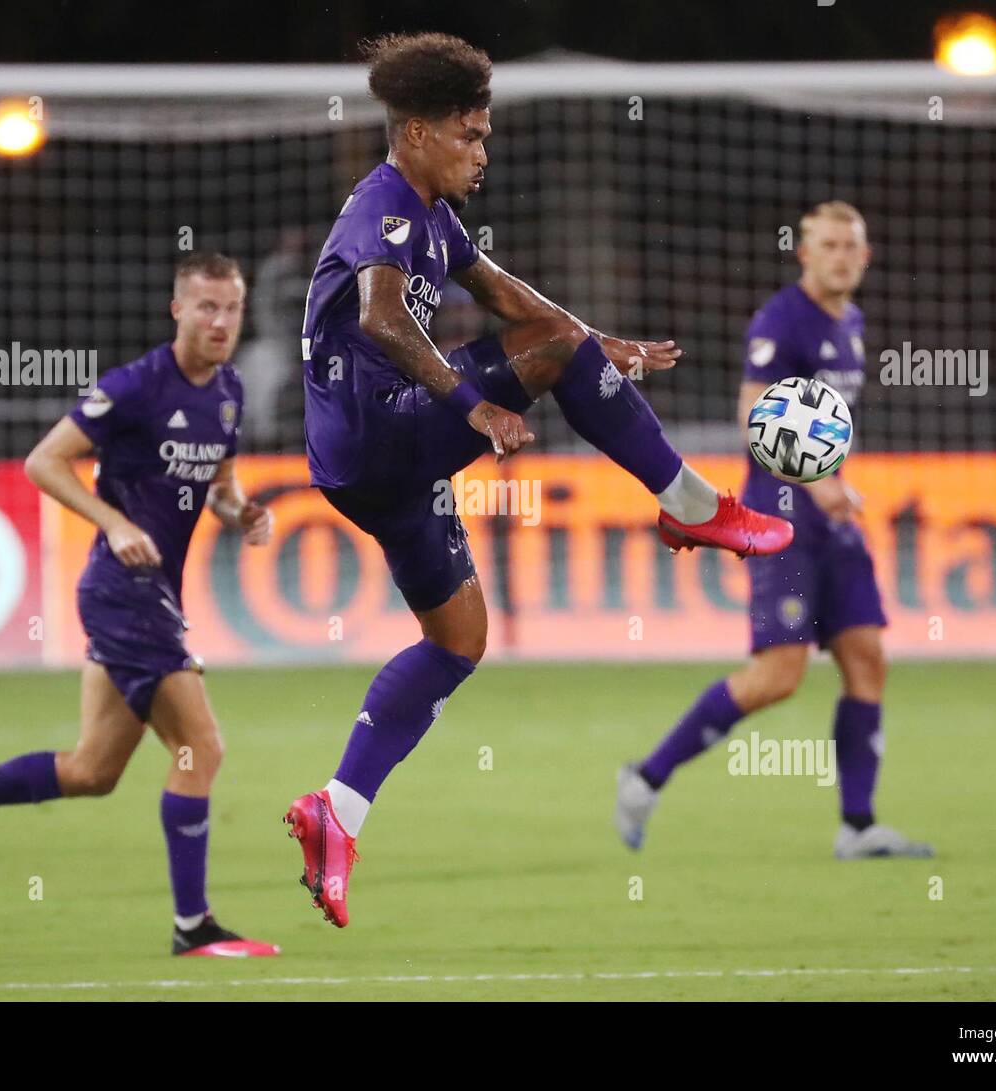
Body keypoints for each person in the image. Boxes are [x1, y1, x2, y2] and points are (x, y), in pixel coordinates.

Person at [284, 32, 794, 927]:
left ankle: (338, 811)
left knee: (457, 641)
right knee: (551, 358)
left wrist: (599, 345)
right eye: (468, 134)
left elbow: (514, 299)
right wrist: (469, 404)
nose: (482, 151)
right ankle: (690, 507)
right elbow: (378, 316)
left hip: (370, 467)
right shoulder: (386, 207)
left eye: (485, 134)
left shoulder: (433, 214)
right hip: (382, 433)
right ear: (413, 133)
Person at [0, 253, 282, 956]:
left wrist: (242, 511)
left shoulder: (230, 392)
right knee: (201, 745)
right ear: (177, 309)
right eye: (207, 307)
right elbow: (43, 460)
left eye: (233, 309)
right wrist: (115, 521)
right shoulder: (134, 387)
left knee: (93, 770)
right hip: (122, 593)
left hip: (152, 595)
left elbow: (217, 485)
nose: (221, 321)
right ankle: (193, 926)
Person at [615, 203, 934, 860]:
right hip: (782, 521)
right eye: (830, 244)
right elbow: (755, 413)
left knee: (868, 657)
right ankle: (646, 777)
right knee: (777, 675)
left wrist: (837, 486)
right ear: (805, 253)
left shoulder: (852, 324)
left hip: (834, 520)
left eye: (852, 245)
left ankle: (858, 823)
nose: (842, 255)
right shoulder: (780, 321)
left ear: (866, 257)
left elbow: (819, 423)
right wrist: (819, 485)